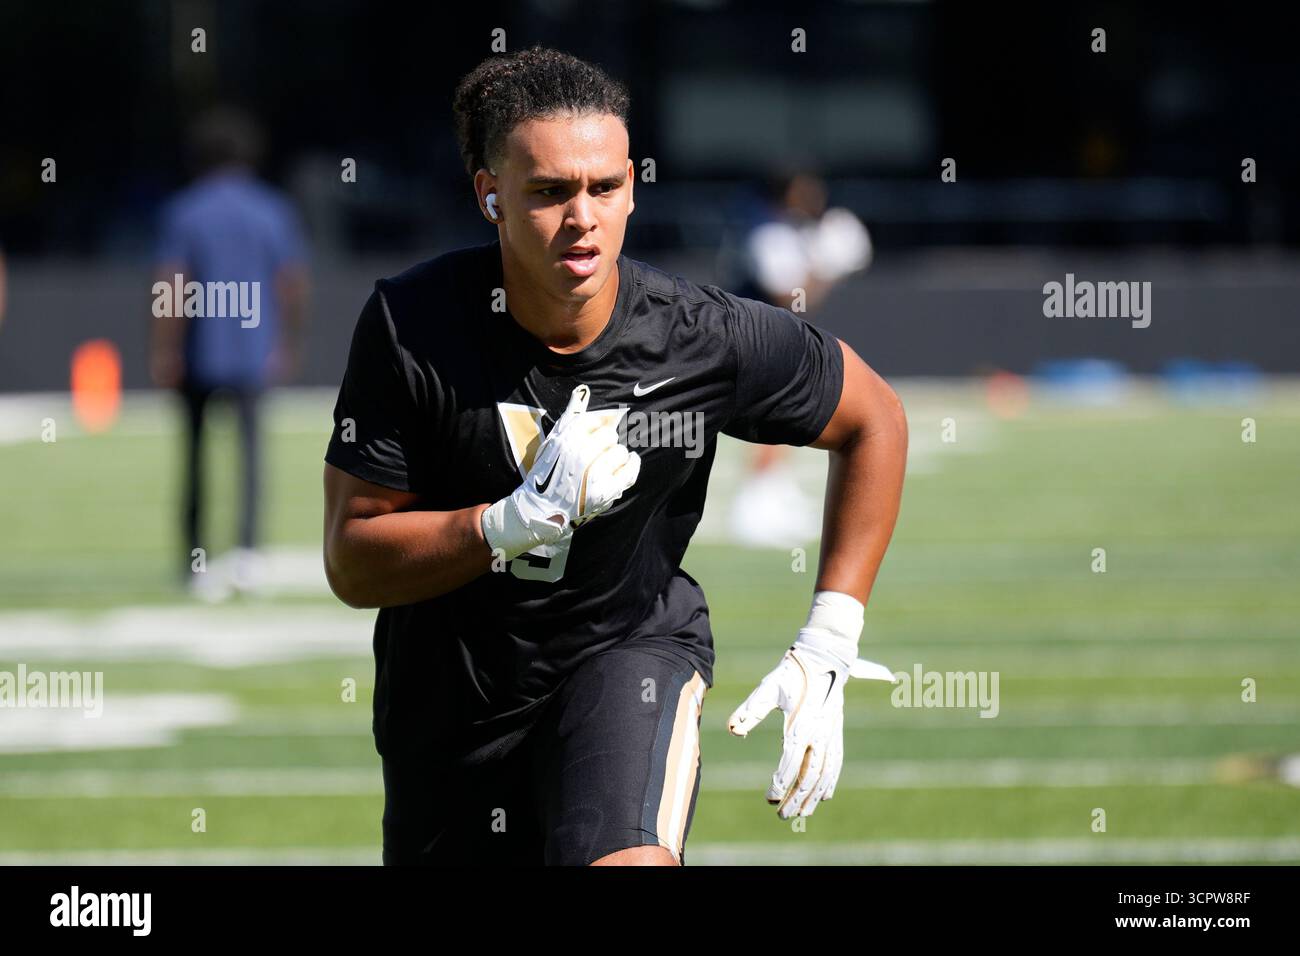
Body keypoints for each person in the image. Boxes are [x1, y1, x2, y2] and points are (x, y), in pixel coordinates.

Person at [322, 46, 907, 866]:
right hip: (452, 697)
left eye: (604, 187)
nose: (583, 217)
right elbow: (354, 562)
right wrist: (505, 526)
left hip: (626, 657)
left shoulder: (697, 334)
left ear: (633, 184)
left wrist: (830, 641)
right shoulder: (410, 324)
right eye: (550, 192)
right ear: (489, 195)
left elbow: (874, 418)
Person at [151, 107, 309, 600]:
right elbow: (292, 284)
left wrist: (166, 348)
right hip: (252, 352)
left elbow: (172, 283)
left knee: (195, 457)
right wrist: (286, 342)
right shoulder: (272, 209)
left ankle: (194, 560)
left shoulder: (184, 209)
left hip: (201, 350)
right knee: (250, 456)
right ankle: (245, 555)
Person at [719, 167, 874, 548]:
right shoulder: (766, 233)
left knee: (787, 416)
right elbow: (791, 295)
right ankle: (753, 506)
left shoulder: (798, 231)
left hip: (780, 336)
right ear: (785, 195)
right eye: (803, 191)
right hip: (753, 337)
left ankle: (776, 495)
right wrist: (830, 262)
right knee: (768, 417)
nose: (813, 199)